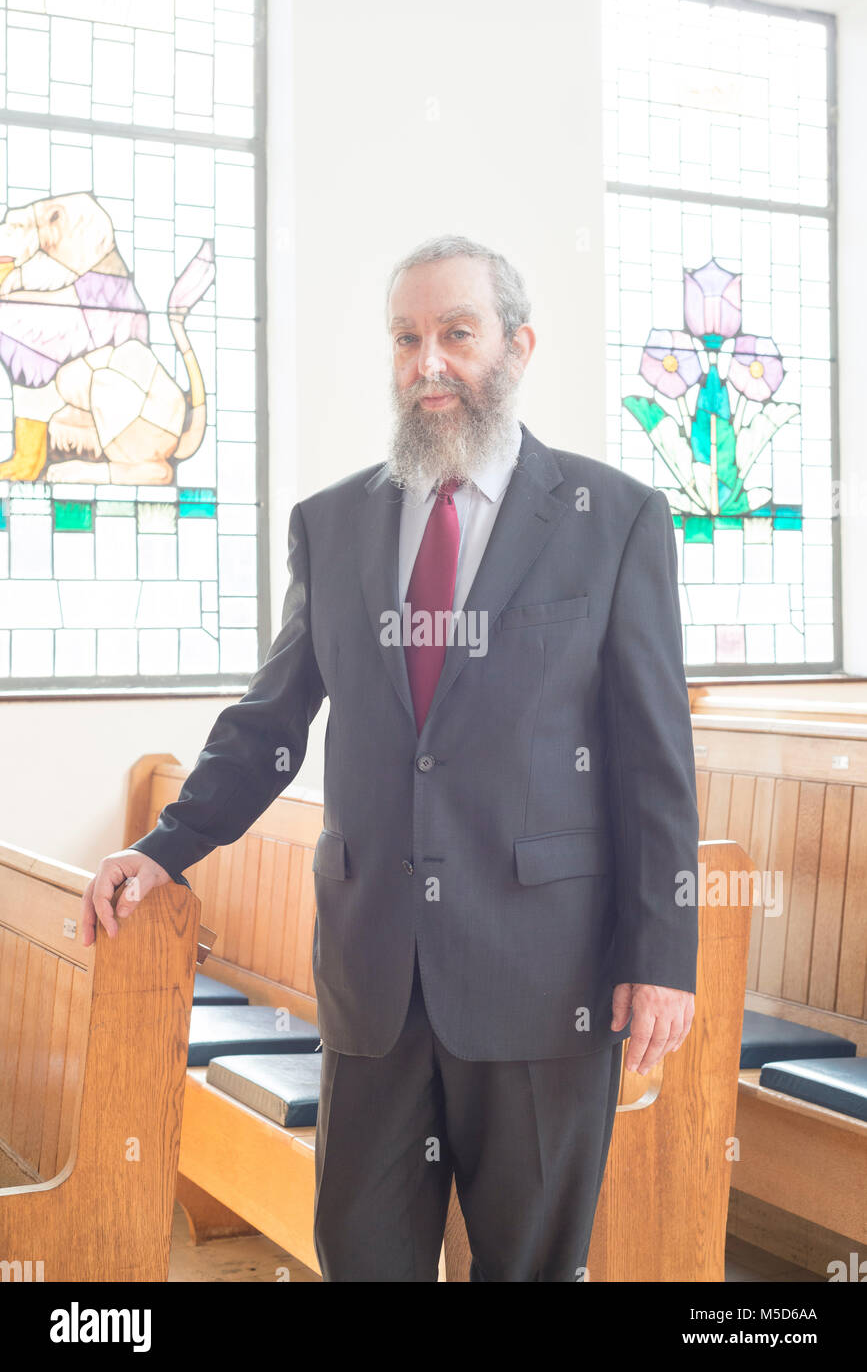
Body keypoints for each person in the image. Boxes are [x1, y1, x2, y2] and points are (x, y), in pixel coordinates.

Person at [82, 234, 699, 1282]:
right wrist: (165, 846)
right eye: (407, 338)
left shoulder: (615, 521)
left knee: (532, 1268)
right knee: (362, 1258)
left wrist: (661, 954)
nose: (429, 362)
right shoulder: (335, 525)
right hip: (374, 980)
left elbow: (653, 758)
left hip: (545, 982)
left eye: (457, 333)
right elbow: (271, 722)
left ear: (517, 345)